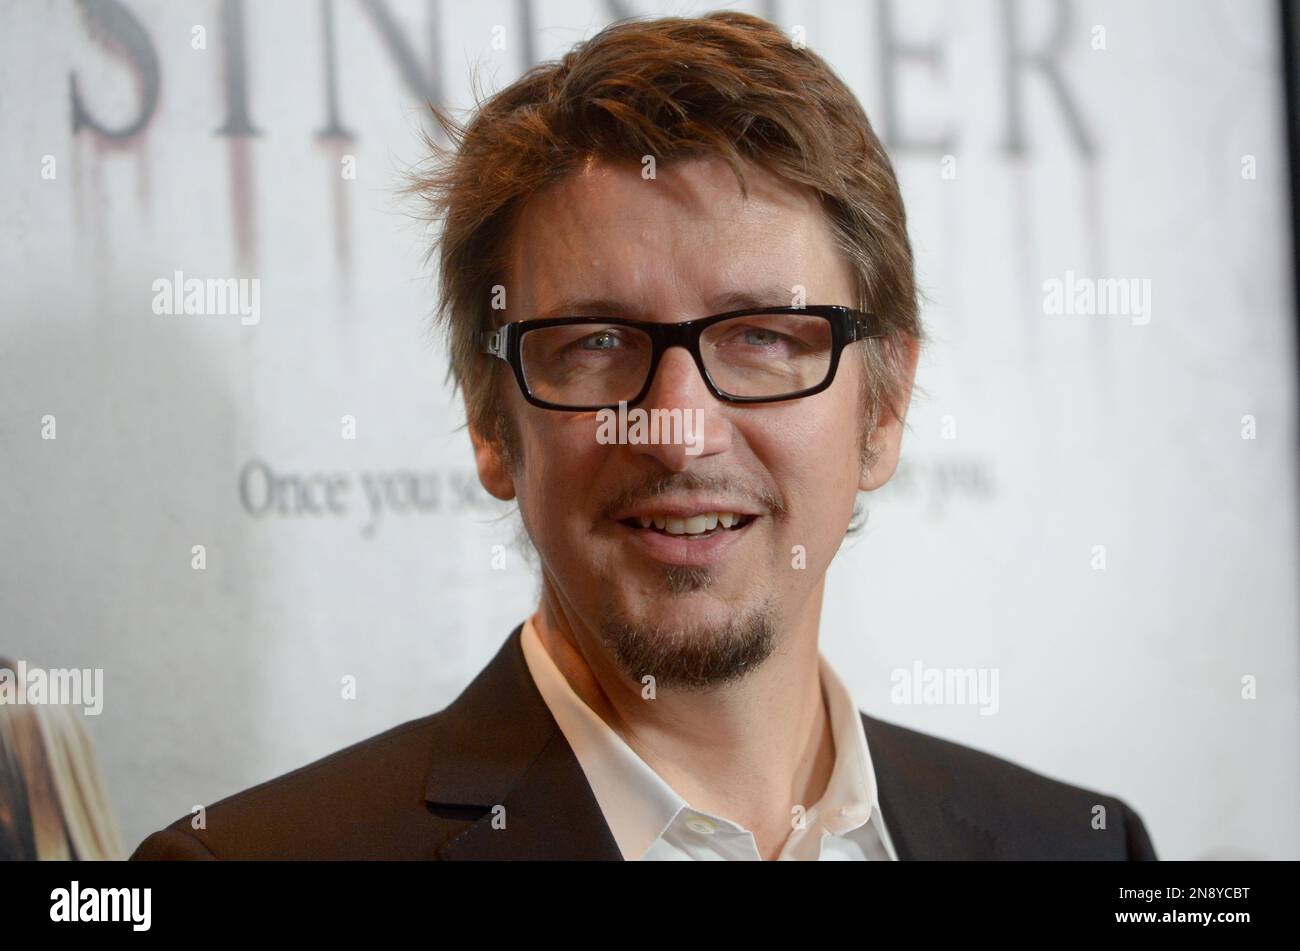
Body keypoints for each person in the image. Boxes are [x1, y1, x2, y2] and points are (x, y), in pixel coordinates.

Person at [131, 10, 1155, 861]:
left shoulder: (1079, 847)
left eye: (761, 336)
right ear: (493, 423)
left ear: (882, 409)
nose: (675, 429)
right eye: (594, 343)